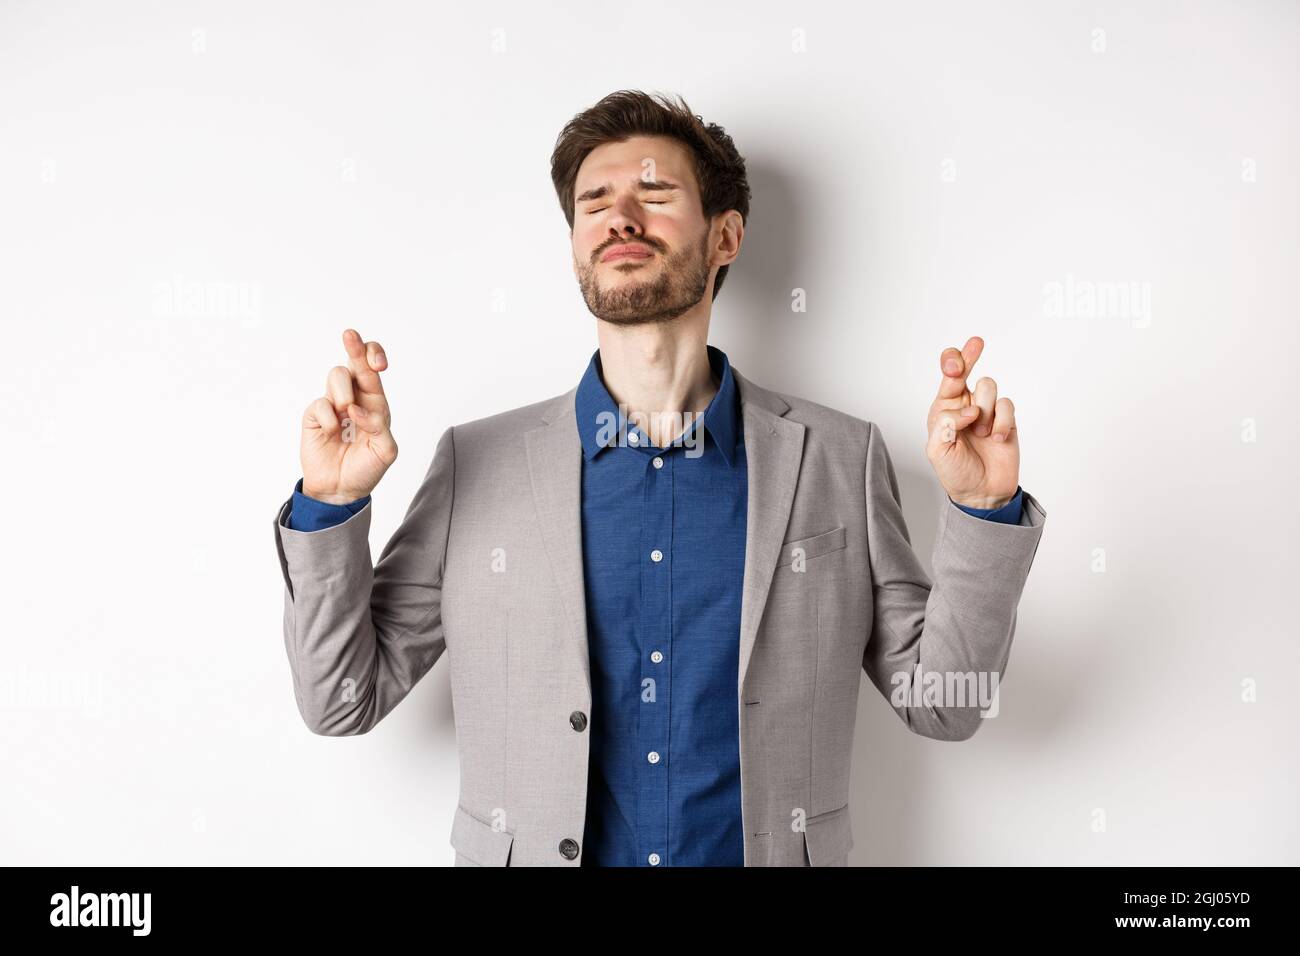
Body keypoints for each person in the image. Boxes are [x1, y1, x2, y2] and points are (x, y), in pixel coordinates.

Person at [272, 89, 1047, 867]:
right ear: (575, 243)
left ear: (726, 235)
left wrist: (983, 509)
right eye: (594, 202)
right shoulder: (477, 464)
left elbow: (947, 704)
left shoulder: (840, 459)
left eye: (654, 193)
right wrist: (333, 503)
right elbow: (341, 701)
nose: (620, 218)